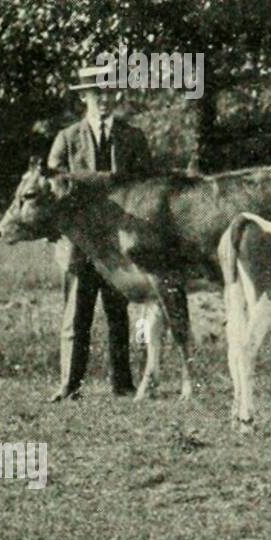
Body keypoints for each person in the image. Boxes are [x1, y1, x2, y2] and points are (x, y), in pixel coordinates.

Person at [46, 66, 153, 402]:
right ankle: (69, 384)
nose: (104, 100)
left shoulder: (133, 137)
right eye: (97, 94)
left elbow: (147, 187)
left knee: (118, 314)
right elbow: (51, 189)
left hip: (117, 243)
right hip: (78, 243)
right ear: (84, 97)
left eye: (110, 93)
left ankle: (122, 384)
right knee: (76, 315)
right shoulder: (67, 138)